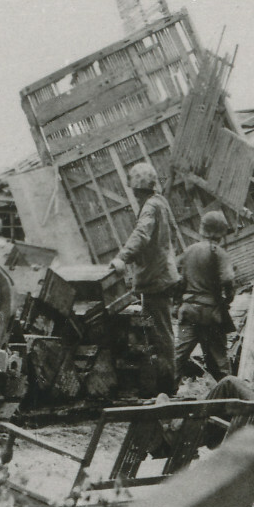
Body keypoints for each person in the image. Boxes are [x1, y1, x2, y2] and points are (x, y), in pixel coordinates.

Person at [109, 163, 185, 395]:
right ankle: (161, 384)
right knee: (159, 332)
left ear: (136, 187)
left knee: (160, 334)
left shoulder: (150, 207)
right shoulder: (160, 202)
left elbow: (142, 234)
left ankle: (165, 388)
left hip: (156, 279)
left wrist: (122, 257)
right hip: (160, 275)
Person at [174, 210, 237, 383]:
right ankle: (229, 396)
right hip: (211, 315)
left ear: (203, 229)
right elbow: (228, 278)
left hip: (188, 312)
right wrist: (229, 298)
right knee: (220, 362)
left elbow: (177, 280)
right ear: (221, 231)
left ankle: (164, 393)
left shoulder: (188, 250)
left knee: (177, 358)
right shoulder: (219, 253)